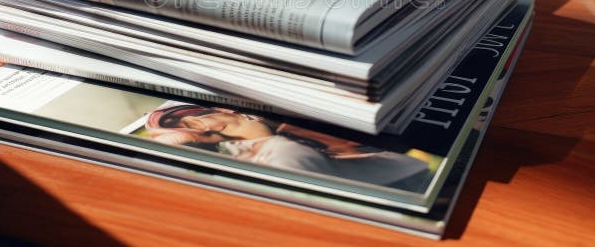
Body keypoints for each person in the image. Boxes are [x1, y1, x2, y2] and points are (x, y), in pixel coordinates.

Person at [141, 101, 432, 192]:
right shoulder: (278, 152)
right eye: (189, 128)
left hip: (404, 163)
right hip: (399, 183)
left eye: (194, 118)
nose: (200, 124)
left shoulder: (272, 117)